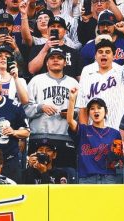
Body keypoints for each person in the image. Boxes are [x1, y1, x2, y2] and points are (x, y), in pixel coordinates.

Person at [26, 47, 78, 177]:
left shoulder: (73, 82)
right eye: (52, 58)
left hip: (65, 136)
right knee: (36, 177)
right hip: (39, 137)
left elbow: (80, 110)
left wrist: (72, 114)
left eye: (59, 58)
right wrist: (40, 107)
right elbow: (25, 109)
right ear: (46, 62)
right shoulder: (36, 80)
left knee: (64, 179)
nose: (56, 60)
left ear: (65, 62)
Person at [67, 86, 123, 184]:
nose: (96, 111)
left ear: (106, 111)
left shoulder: (115, 133)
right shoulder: (83, 130)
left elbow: (117, 159)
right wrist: (72, 99)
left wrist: (115, 159)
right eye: (92, 109)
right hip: (86, 178)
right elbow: (70, 121)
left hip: (108, 177)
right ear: (89, 113)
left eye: (99, 108)